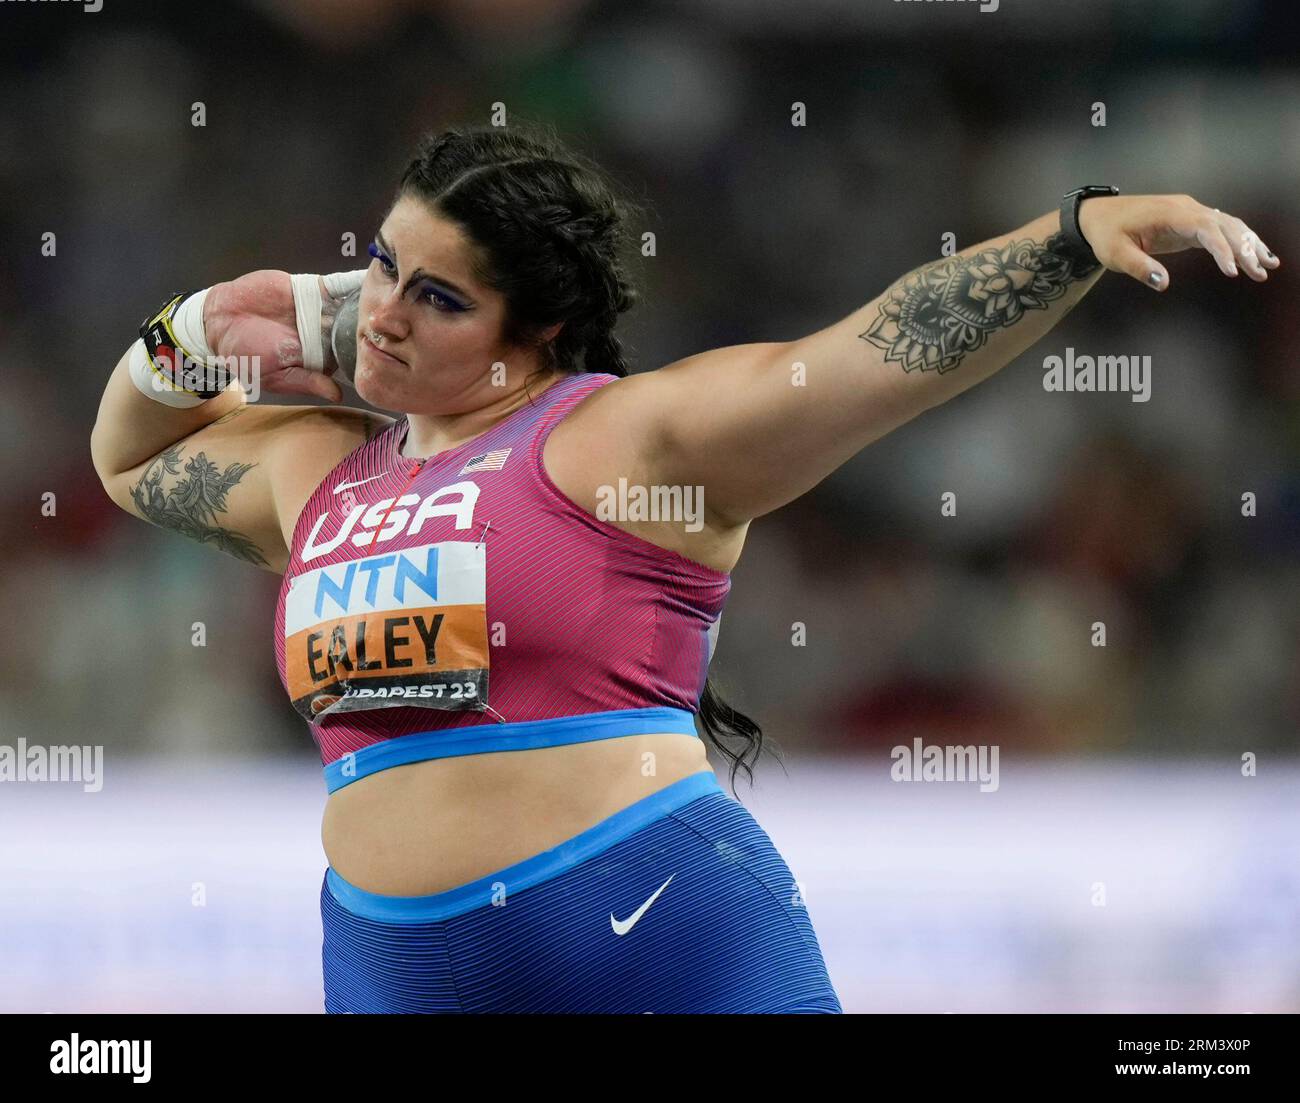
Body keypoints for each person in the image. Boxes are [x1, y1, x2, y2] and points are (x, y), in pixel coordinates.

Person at [90, 124, 1277, 1013]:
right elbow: (124, 457)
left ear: (533, 333)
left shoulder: (621, 439)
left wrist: (1069, 235)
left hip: (656, 923)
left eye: (439, 296)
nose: (386, 313)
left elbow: (877, 350)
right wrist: (200, 330)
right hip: (392, 962)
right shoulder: (317, 472)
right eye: (380, 266)